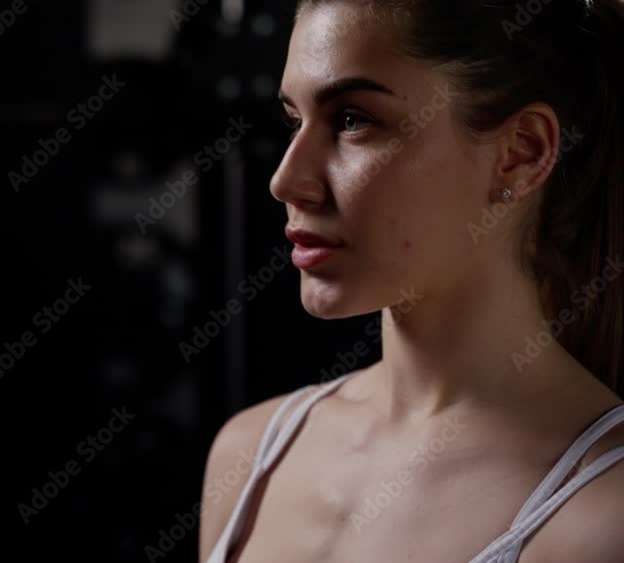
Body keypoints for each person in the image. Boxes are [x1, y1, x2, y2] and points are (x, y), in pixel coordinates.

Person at [199, 1, 624, 562]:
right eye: (293, 122)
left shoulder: (605, 517)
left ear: (523, 152)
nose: (286, 180)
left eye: (353, 120)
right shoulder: (249, 458)